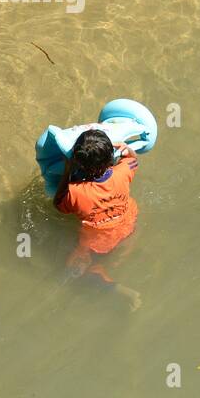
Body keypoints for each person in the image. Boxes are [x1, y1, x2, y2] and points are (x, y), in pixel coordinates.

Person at [53, 130, 141, 308]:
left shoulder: (75, 191)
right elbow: (134, 159)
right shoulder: (123, 172)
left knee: (75, 273)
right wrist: (125, 148)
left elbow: (58, 204)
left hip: (98, 241)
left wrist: (67, 171)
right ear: (111, 158)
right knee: (111, 259)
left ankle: (118, 289)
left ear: (79, 163)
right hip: (128, 224)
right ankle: (105, 273)